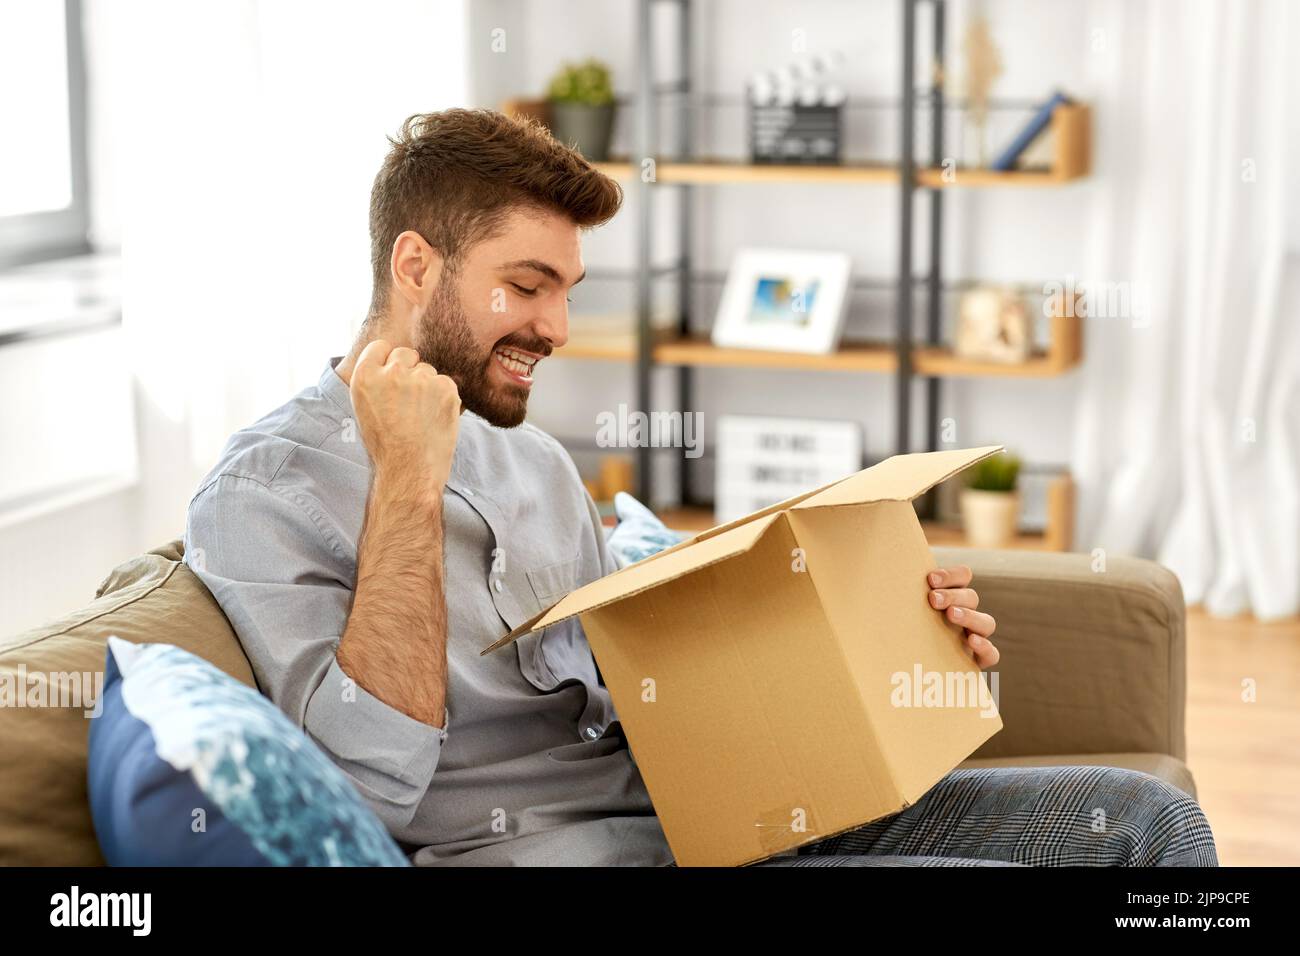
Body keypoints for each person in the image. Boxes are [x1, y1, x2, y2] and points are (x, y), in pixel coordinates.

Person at [184, 109, 1217, 867]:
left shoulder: (531, 458)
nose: (555, 329)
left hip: (725, 812)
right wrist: (405, 480)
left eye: (566, 291)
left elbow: (648, 699)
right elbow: (367, 780)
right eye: (526, 285)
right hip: (564, 853)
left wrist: (878, 649)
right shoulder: (260, 493)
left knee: (1144, 822)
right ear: (415, 266)